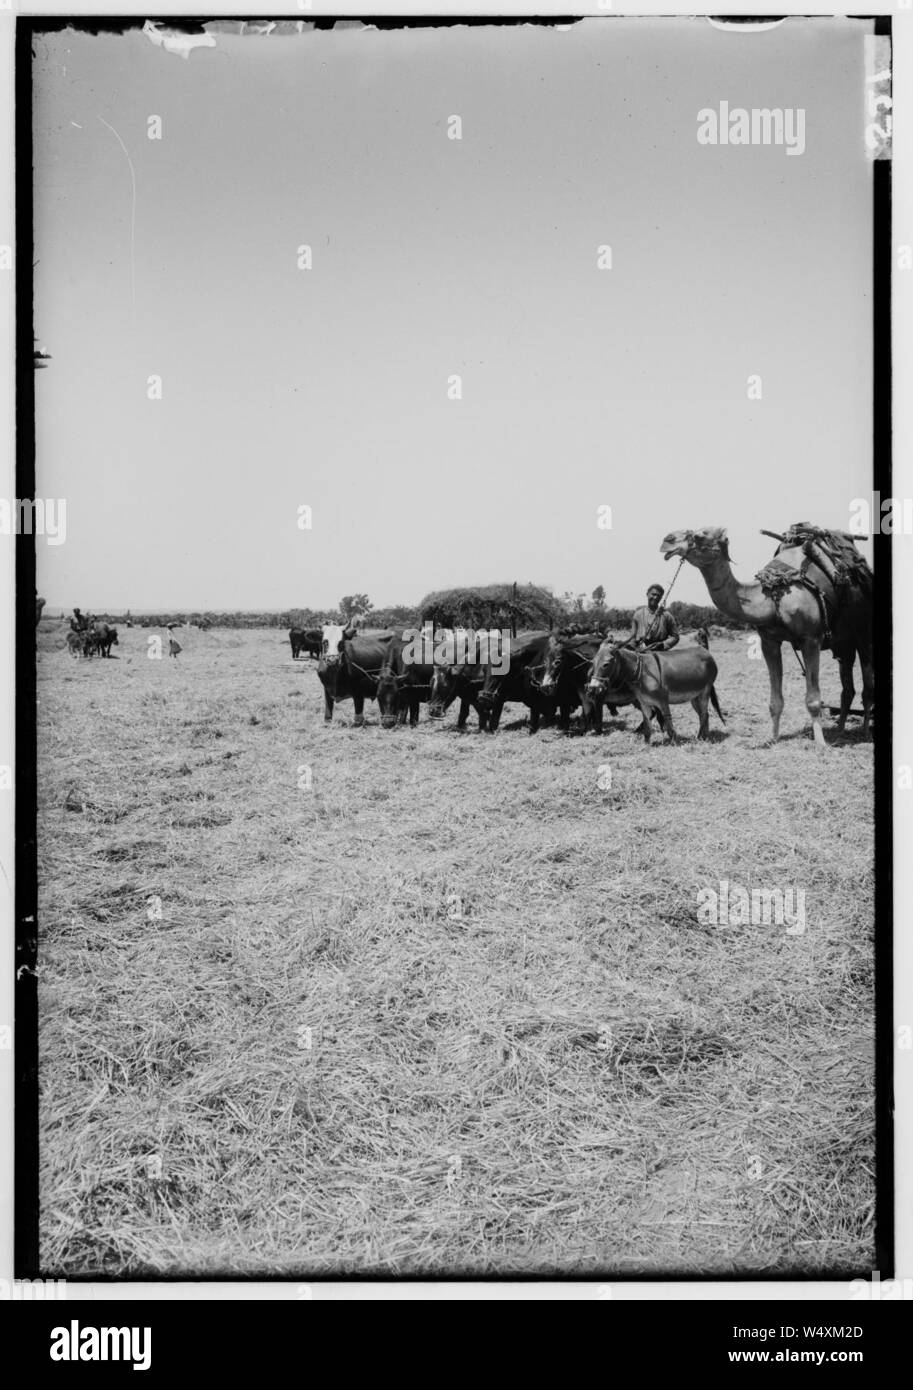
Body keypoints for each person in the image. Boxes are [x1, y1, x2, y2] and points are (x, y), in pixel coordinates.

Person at [624, 584, 679, 652]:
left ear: (661, 598)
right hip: (641, 653)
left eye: (658, 596)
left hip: (660, 654)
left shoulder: (667, 615)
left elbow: (675, 637)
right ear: (647, 594)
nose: (655, 597)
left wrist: (663, 645)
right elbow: (632, 638)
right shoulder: (638, 614)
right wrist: (631, 648)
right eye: (653, 594)